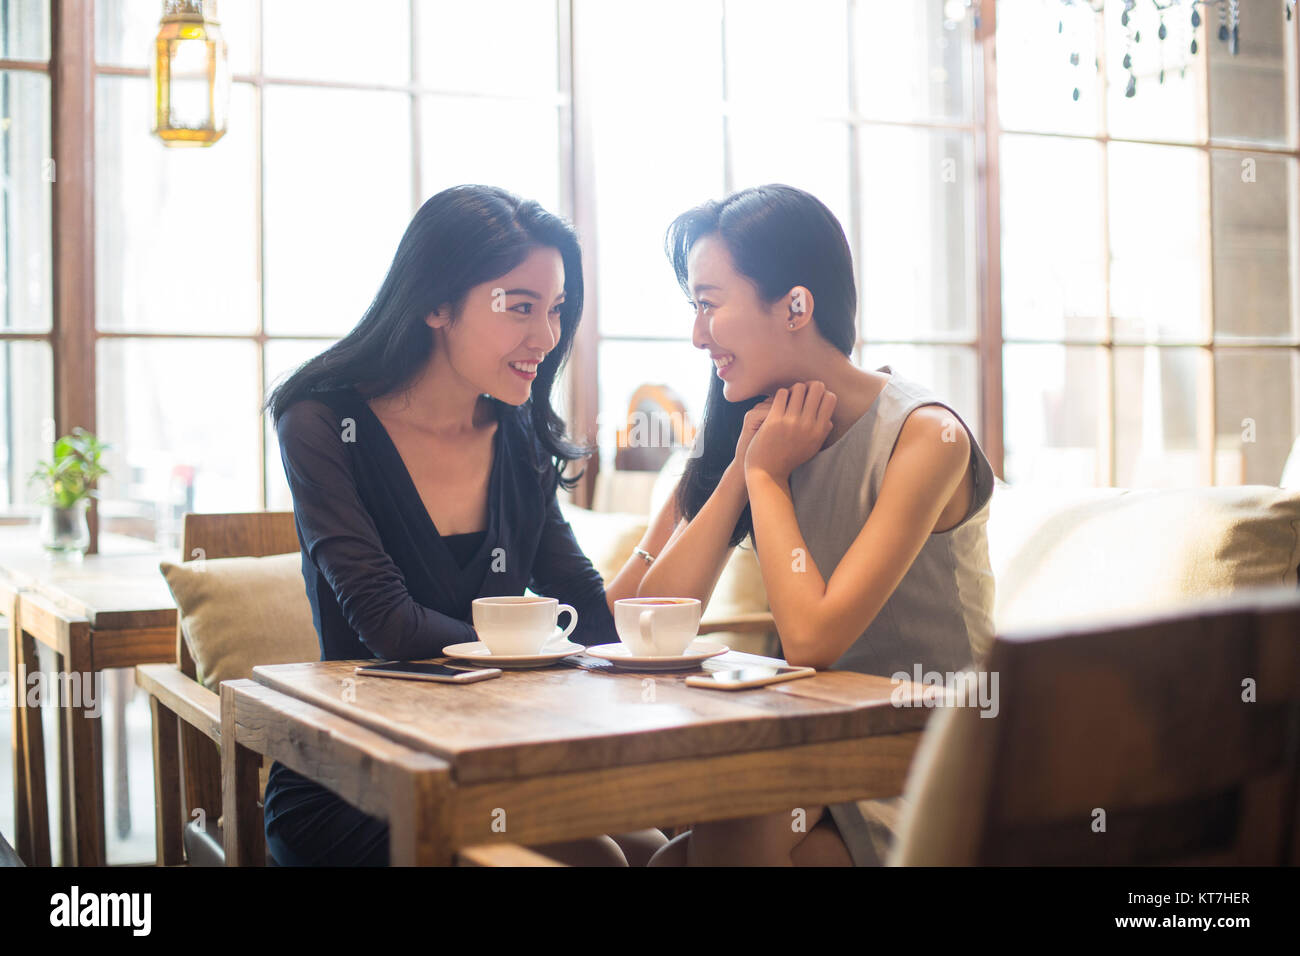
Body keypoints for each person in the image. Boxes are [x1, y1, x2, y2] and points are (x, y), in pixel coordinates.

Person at [262, 184, 667, 866]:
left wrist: (695, 499)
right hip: (358, 775)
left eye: (556, 310)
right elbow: (388, 624)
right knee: (599, 860)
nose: (546, 337)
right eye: (519, 307)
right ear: (436, 304)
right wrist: (544, 648)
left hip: (496, 761)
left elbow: (587, 613)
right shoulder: (321, 422)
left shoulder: (521, 436)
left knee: (661, 849)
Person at [635, 184, 997, 866]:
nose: (696, 334)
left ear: (797, 305)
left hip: (929, 758)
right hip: (814, 745)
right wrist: (747, 467)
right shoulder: (772, 430)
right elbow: (654, 623)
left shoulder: (927, 437)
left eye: (709, 304)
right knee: (667, 861)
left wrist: (767, 478)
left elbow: (812, 639)